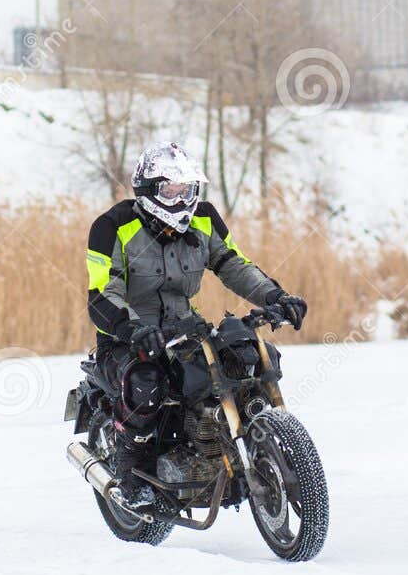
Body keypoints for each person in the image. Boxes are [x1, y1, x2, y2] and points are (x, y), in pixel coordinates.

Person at [85, 141, 307, 509]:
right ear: (148, 191)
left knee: (251, 356)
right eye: (170, 190)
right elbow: (101, 292)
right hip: (128, 337)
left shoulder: (204, 218)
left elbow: (232, 264)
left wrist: (274, 297)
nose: (181, 199)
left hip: (187, 330)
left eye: (187, 190)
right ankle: (128, 469)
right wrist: (132, 330)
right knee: (147, 381)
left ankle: (239, 442)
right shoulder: (112, 226)